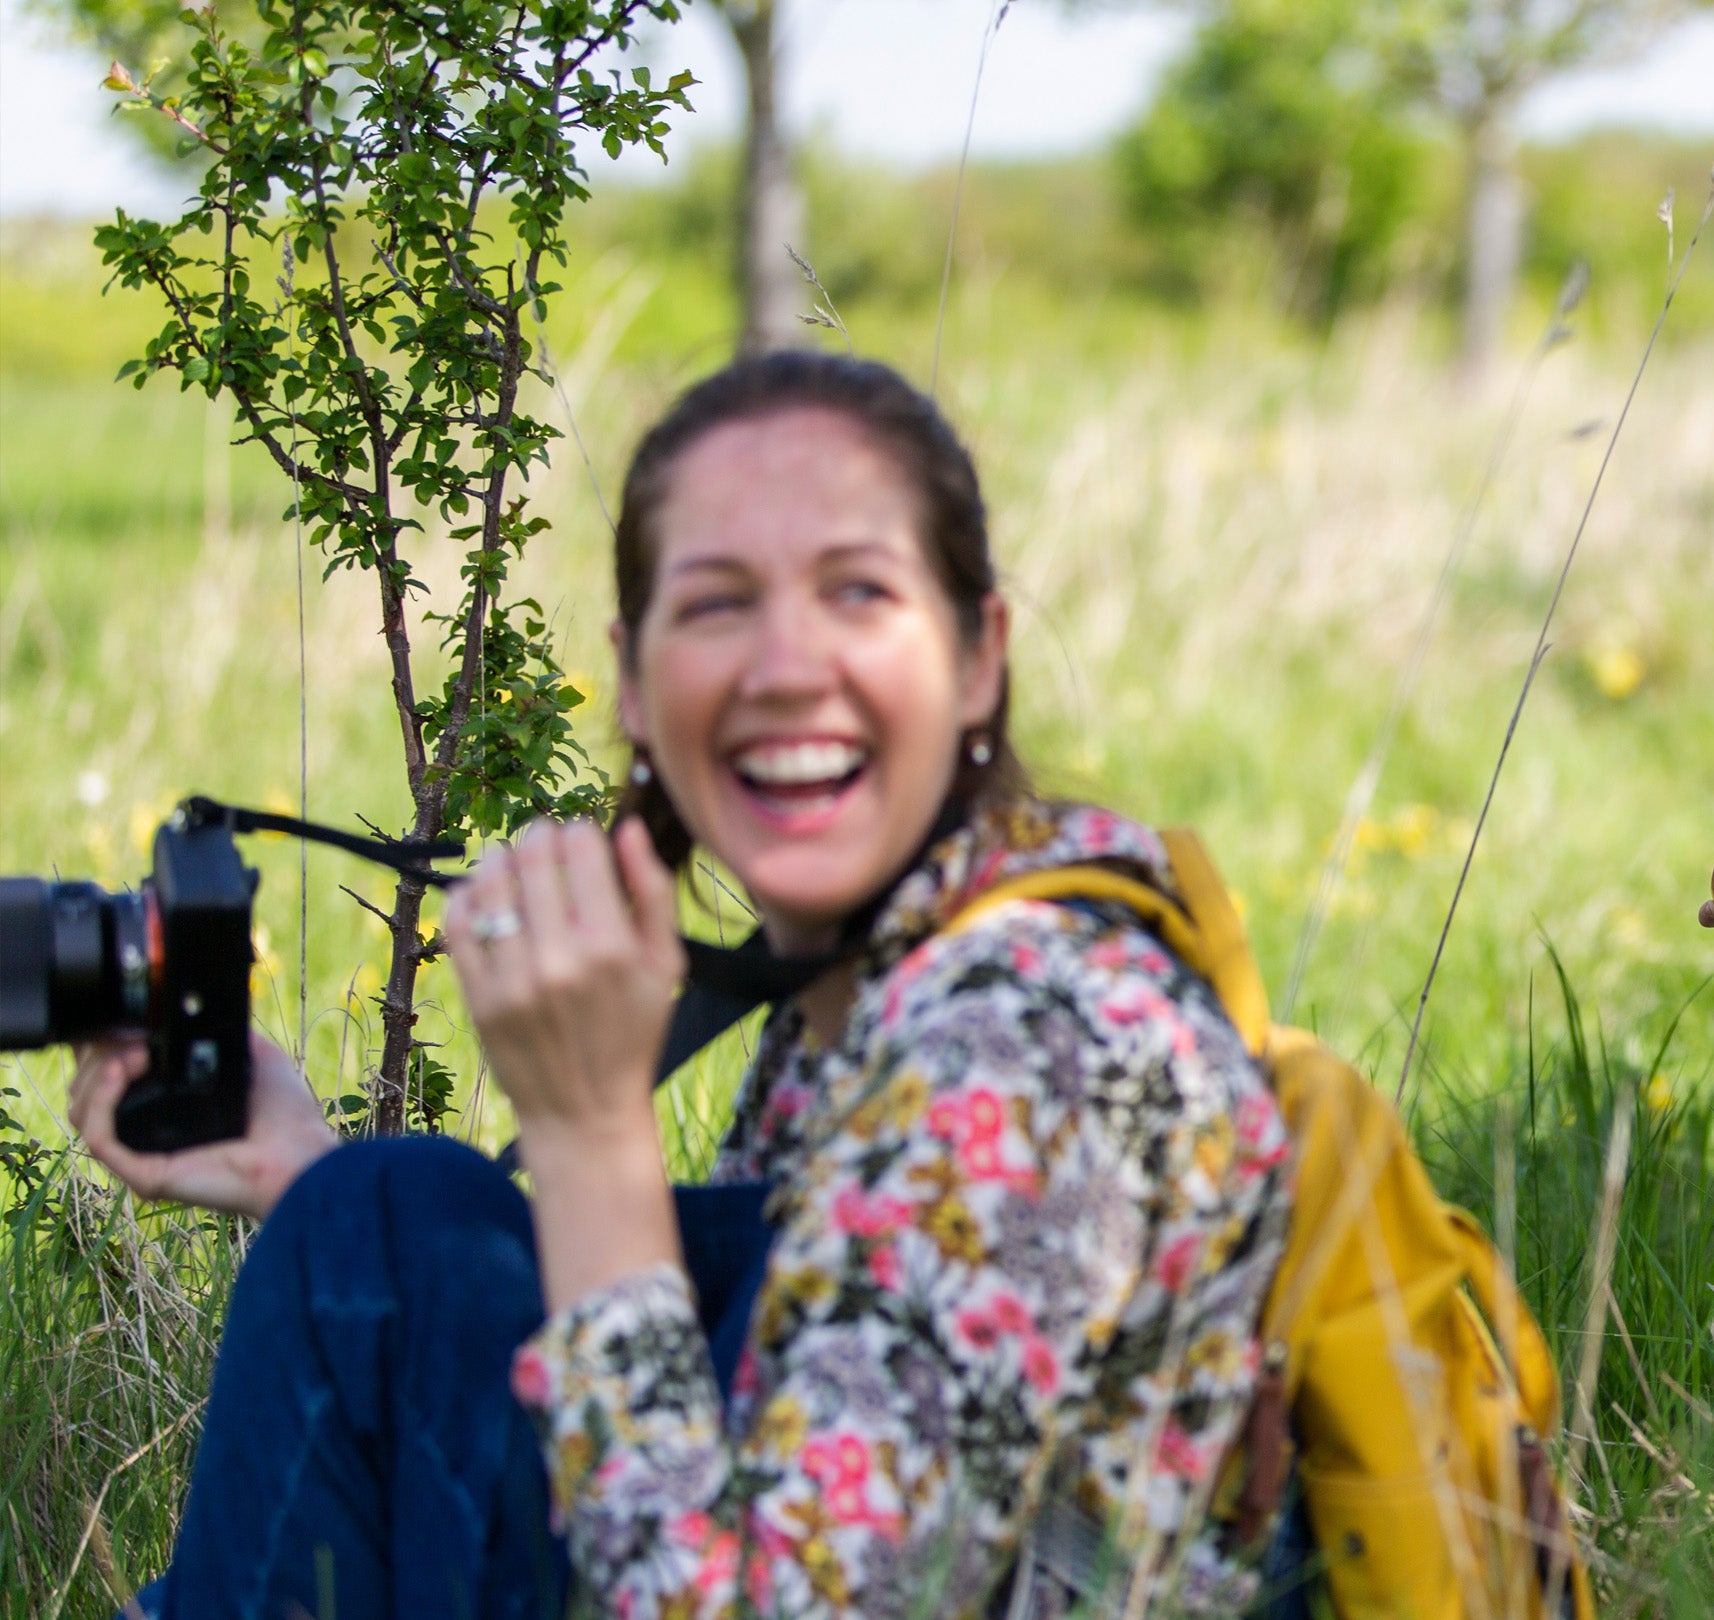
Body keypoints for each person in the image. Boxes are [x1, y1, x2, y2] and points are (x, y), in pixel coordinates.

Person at [68, 352, 1297, 1617]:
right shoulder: (871, 989)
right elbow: (717, 1431)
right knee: (379, 1220)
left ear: (979, 657)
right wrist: (317, 1200)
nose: (786, 667)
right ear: (637, 685)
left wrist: (588, 1129)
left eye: (859, 592)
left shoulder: (1038, 1041)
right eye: (718, 605)